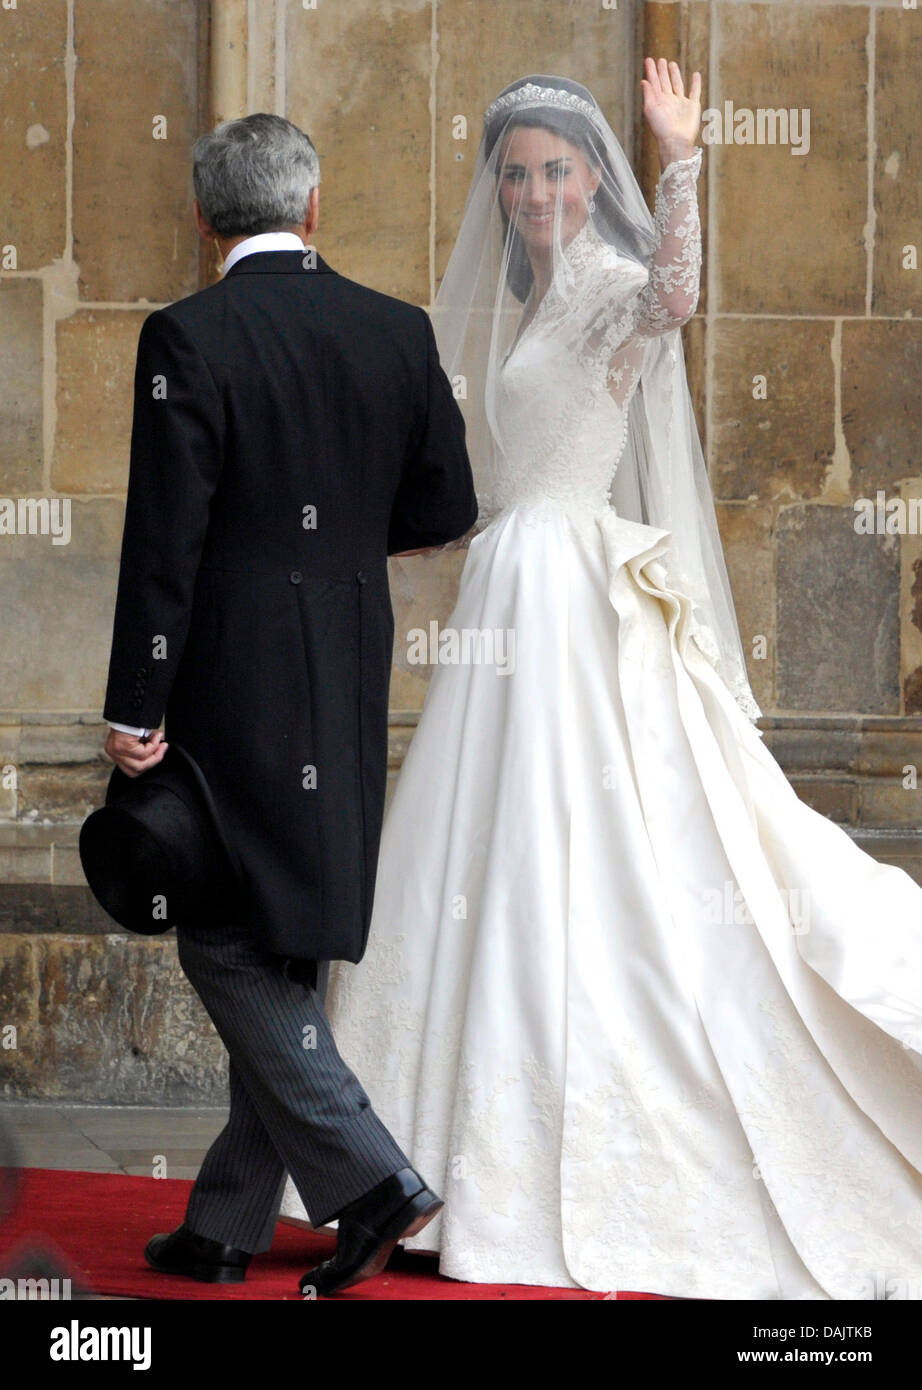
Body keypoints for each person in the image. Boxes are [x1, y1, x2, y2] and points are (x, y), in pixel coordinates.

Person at [278, 66, 922, 1300]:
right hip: (513, 576)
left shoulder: (613, 285)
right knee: (477, 849)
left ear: (591, 179)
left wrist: (680, 159)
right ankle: (429, 1163)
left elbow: (674, 296)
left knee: (573, 843)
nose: (531, 191)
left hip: (568, 592)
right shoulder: (533, 299)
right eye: (514, 172)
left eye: (555, 169)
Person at [100, 112, 478, 1297]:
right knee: (288, 932)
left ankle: (370, 1182)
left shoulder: (188, 333)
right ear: (312, 209)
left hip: (225, 682)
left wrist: (134, 702)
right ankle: (225, 1225)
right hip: (344, 668)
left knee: (221, 932)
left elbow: (166, 540)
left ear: (205, 216)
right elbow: (446, 502)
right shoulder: (397, 330)